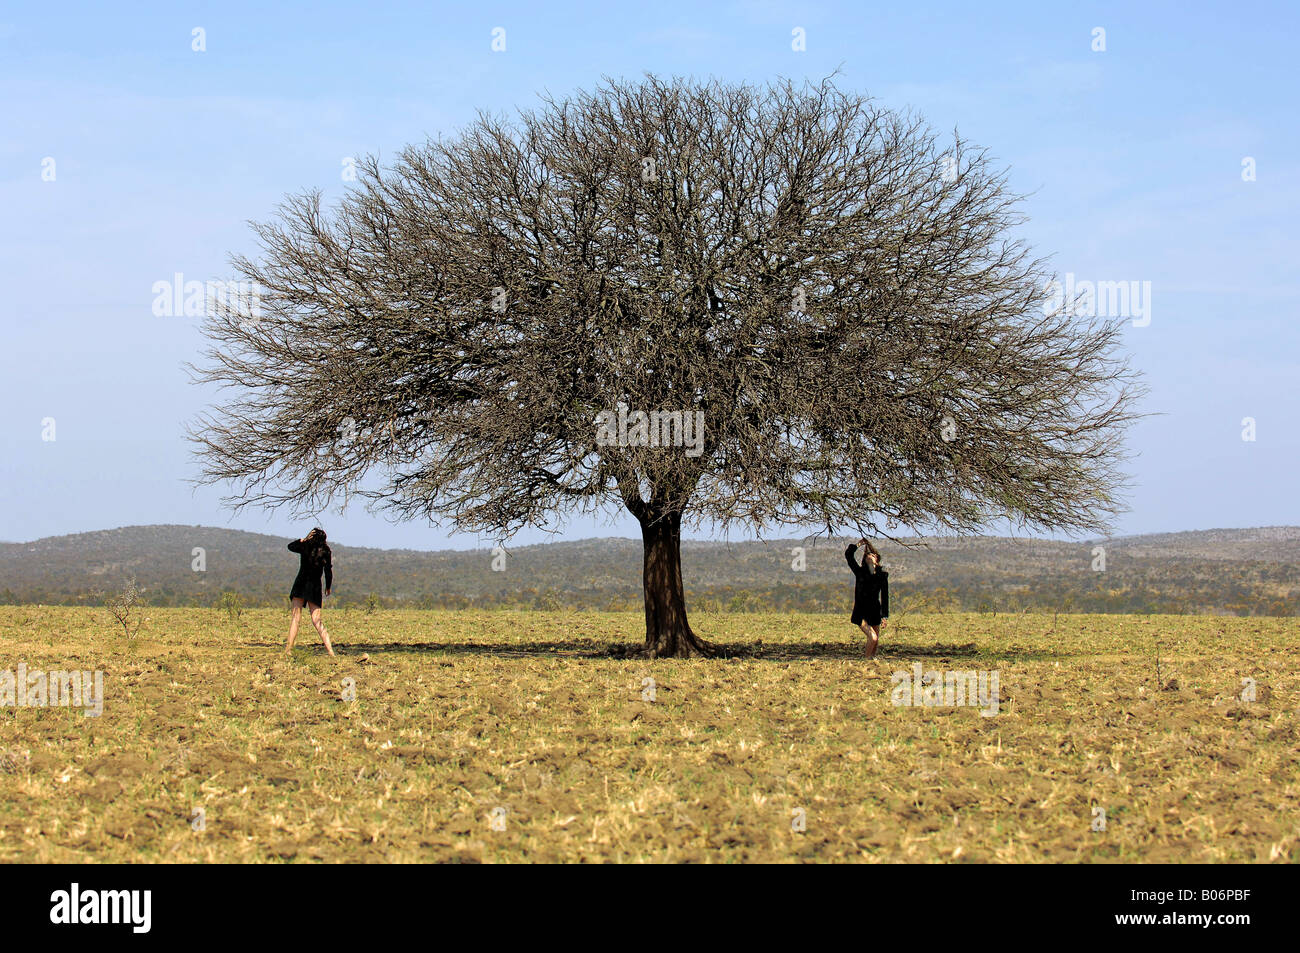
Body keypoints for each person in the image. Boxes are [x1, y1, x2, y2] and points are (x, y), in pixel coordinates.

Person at [286, 527, 335, 656]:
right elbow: (328, 570)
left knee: (295, 618)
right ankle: (330, 651)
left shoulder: (305, 546)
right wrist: (328, 586)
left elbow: (290, 546)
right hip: (315, 587)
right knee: (317, 620)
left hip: (300, 584)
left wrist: (303, 539)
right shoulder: (326, 551)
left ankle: (288, 650)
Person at [845, 538, 888, 658]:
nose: (870, 556)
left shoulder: (882, 576)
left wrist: (884, 615)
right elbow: (848, 555)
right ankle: (866, 660)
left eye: (872, 555)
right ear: (864, 559)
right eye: (867, 555)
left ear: (877, 560)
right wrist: (859, 544)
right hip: (861, 612)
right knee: (872, 638)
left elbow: (885, 596)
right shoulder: (859, 572)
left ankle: (871, 663)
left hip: (875, 611)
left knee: (876, 640)